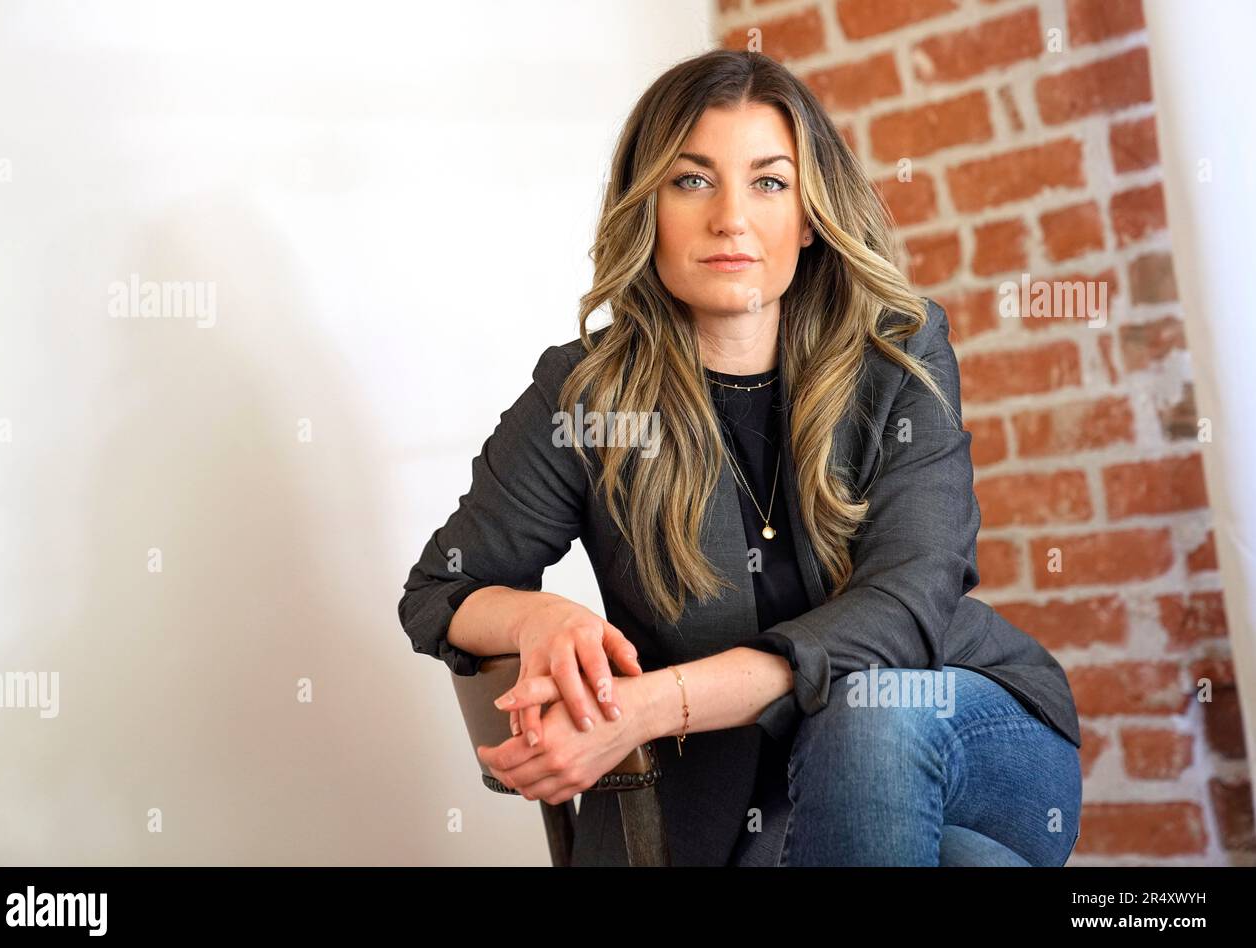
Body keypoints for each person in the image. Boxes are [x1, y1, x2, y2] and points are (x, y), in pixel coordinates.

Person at [398, 49, 1082, 866]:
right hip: (728, 800)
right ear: (645, 206)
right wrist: (541, 616)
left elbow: (906, 603)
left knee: (865, 717)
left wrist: (652, 705)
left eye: (768, 182)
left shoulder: (898, 355)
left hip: (954, 728)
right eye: (692, 181)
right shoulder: (583, 396)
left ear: (810, 212)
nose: (731, 218)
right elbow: (441, 588)